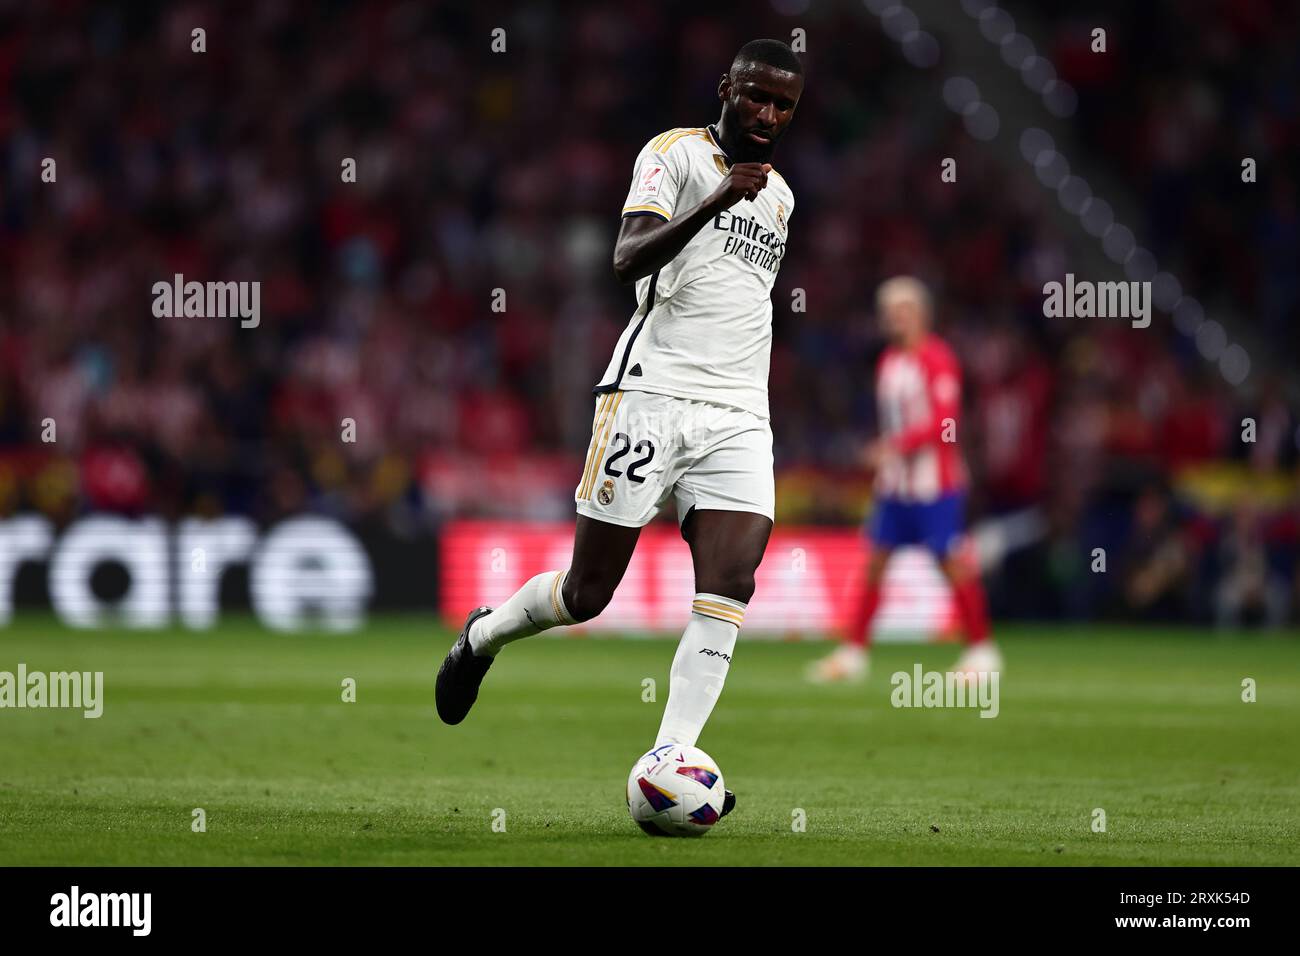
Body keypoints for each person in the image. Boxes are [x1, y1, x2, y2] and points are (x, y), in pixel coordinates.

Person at [436, 39, 805, 818]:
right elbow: (626, 260)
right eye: (756, 97)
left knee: (731, 581)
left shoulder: (782, 198)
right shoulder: (673, 156)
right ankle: (483, 638)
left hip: (739, 413)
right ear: (726, 90)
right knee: (588, 591)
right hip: (650, 395)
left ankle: (671, 759)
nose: (767, 114)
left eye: (782, 104)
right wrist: (715, 202)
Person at [808, 277, 1002, 682]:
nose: (897, 319)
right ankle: (853, 653)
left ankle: (982, 652)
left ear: (923, 314)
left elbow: (945, 422)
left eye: (905, 310)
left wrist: (894, 445)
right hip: (896, 486)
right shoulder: (888, 362)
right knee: (875, 562)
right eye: (891, 312)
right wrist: (889, 453)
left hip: (936, 484)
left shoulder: (937, 359)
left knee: (950, 561)